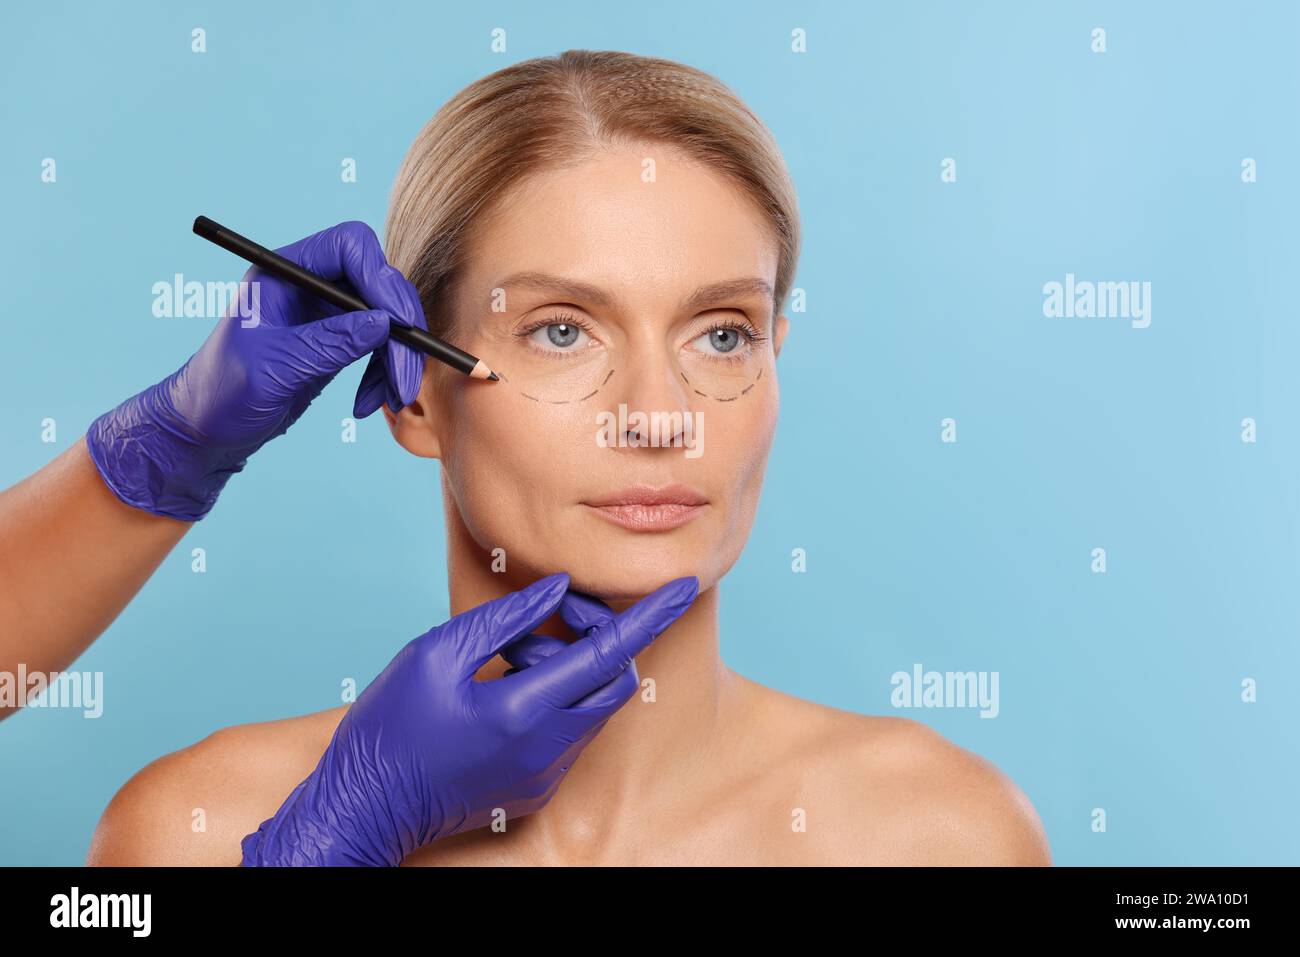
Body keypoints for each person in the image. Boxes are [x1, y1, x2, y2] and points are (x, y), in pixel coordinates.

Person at [87, 50, 1051, 865]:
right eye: (560, 331)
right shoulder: (197, 831)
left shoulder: (937, 835)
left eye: (721, 336)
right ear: (415, 390)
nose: (657, 418)